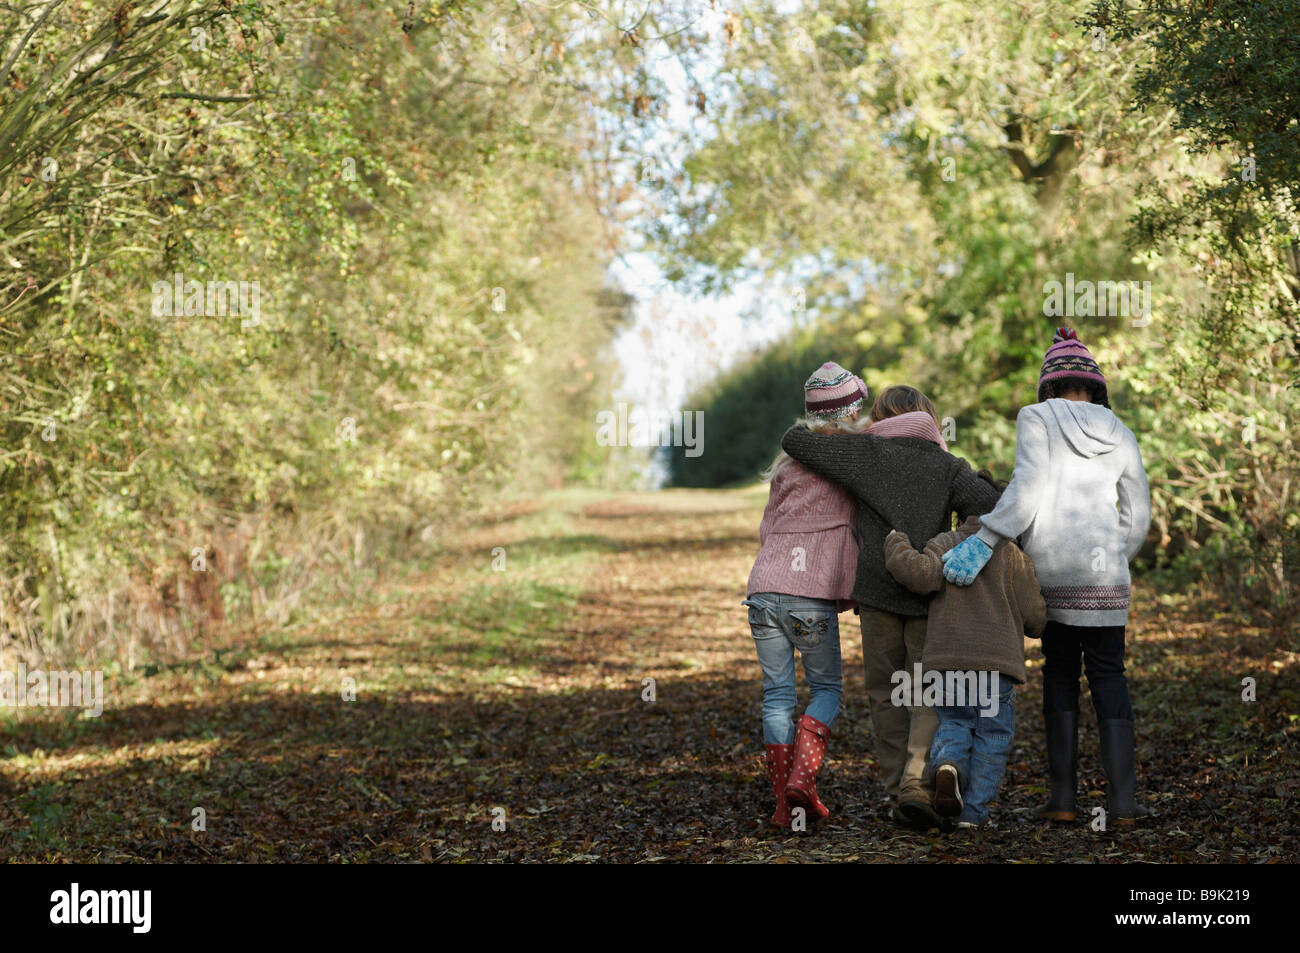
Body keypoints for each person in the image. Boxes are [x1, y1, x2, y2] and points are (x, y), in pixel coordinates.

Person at [941, 327, 1152, 825]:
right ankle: (1121, 805)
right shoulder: (1120, 430)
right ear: (1095, 387)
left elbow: (1027, 491)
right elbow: (1137, 512)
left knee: (1059, 674)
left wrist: (986, 538)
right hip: (1107, 581)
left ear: (1049, 387)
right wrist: (1115, 557)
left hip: (1053, 576)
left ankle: (1063, 802)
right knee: (1109, 676)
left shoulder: (1035, 417)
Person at [780, 385, 1001, 828]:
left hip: (877, 594)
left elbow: (793, 439)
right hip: (927, 592)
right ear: (930, 418)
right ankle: (916, 785)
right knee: (923, 693)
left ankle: (896, 789)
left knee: (885, 693)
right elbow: (993, 505)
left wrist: (849, 430)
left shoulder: (866, 453)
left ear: (880, 417)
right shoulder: (947, 465)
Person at [744, 362, 867, 828]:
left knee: (776, 695)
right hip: (809, 596)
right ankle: (801, 777)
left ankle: (784, 802)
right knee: (827, 689)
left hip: (762, 589)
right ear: (851, 413)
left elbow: (765, 528)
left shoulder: (788, 464)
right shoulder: (850, 460)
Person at [883, 487, 1047, 832]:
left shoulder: (945, 542)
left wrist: (895, 543)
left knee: (955, 723)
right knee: (992, 736)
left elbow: (919, 575)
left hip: (948, 661)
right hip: (997, 667)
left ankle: (948, 767)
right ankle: (972, 814)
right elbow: (1035, 619)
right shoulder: (1014, 555)